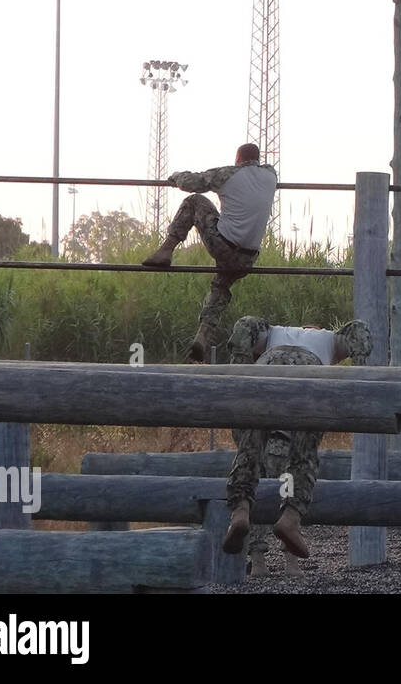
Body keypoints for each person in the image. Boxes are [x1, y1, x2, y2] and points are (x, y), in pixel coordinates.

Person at [220, 315, 372, 568]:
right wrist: (359, 372)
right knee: (304, 454)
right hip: (309, 372)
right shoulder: (329, 339)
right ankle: (290, 517)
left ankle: (240, 510)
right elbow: (360, 331)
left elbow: (244, 326)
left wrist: (239, 370)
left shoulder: (275, 331)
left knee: (249, 447)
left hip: (266, 368)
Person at [142, 143, 277, 362]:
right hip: (247, 258)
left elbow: (191, 183)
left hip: (224, 245)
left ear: (238, 158)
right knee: (220, 286)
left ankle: (166, 250)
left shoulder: (228, 173)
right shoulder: (271, 175)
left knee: (194, 201)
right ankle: (203, 337)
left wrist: (176, 175)